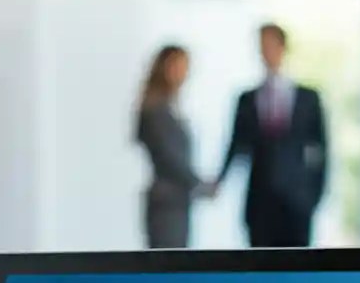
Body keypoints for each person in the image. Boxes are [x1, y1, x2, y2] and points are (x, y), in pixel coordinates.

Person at [219, 23, 328, 248]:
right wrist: (219, 181)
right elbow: (236, 145)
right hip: (259, 201)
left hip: (297, 201)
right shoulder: (247, 99)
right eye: (262, 46)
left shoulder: (308, 98)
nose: (266, 52)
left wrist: (315, 195)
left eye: (270, 45)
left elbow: (320, 151)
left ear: (283, 48)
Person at [136, 45, 214, 249]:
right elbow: (168, 157)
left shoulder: (171, 107)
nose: (183, 73)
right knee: (169, 259)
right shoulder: (156, 110)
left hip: (178, 200)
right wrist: (199, 183)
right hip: (166, 203)